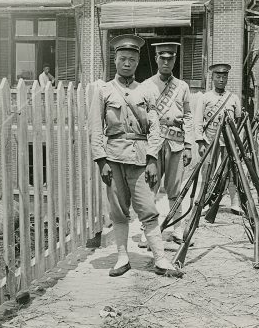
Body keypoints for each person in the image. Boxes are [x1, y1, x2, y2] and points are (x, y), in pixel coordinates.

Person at [87, 34, 182, 278]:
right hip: (114, 158)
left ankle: (160, 258)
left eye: (131, 59)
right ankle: (122, 257)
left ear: (138, 62)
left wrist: (152, 159)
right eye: (122, 58)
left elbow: (155, 128)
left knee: (148, 208)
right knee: (118, 210)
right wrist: (101, 161)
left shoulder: (146, 91)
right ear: (115, 60)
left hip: (140, 159)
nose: (127, 63)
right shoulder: (104, 91)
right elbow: (96, 128)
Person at [138, 42, 194, 247]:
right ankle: (148, 232)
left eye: (170, 58)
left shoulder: (182, 86)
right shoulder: (145, 85)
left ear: (175, 60)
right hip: (153, 145)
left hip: (176, 144)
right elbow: (141, 116)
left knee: (175, 189)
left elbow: (188, 116)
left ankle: (177, 230)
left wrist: (188, 145)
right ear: (156, 59)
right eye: (162, 58)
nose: (166, 62)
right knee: (150, 188)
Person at [196, 63, 242, 216]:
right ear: (213, 78)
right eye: (218, 77)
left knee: (232, 171)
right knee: (207, 172)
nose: (221, 80)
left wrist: (238, 142)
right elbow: (198, 121)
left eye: (224, 77)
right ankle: (203, 200)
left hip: (228, 142)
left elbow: (239, 121)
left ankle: (235, 202)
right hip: (210, 142)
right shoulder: (205, 97)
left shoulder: (233, 98)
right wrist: (200, 141)